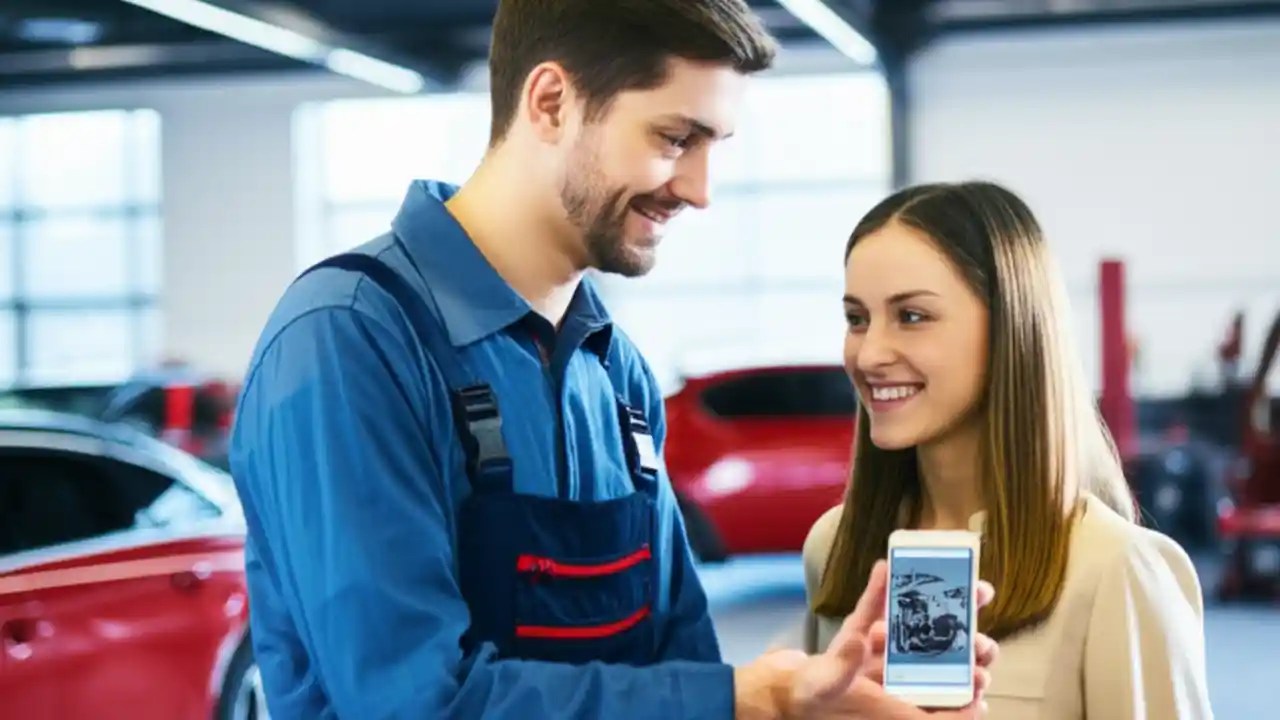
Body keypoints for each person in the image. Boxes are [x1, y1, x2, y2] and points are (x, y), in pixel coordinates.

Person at [229, 2, 998, 718]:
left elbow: (680, 659)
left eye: (714, 148)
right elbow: (416, 702)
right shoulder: (351, 340)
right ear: (552, 102)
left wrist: (795, 705)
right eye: (674, 139)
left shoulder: (614, 372)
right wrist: (747, 698)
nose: (699, 192)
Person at [798, 181, 1216, 718]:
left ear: (1009, 330)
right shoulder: (833, 548)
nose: (870, 353)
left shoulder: (1116, 570)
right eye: (857, 319)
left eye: (912, 316)